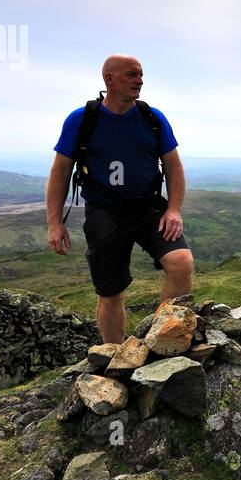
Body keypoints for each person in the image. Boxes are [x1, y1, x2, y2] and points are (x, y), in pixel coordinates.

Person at [45, 54, 193, 344]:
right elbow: (60, 172)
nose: (139, 81)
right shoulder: (82, 120)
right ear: (108, 79)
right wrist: (54, 223)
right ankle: (115, 356)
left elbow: (173, 166)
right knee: (111, 293)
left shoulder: (152, 118)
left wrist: (173, 209)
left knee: (181, 263)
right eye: (131, 75)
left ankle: (165, 340)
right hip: (105, 213)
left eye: (140, 75)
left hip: (148, 206)